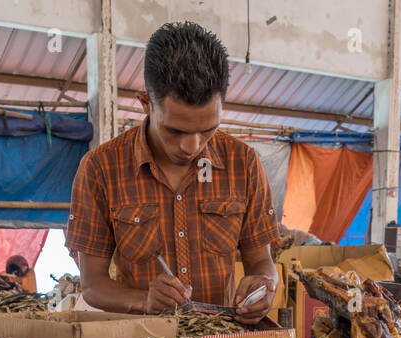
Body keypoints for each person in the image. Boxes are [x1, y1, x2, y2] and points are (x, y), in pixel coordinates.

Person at [65, 21, 281, 322]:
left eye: (207, 130)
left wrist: (264, 286)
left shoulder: (242, 163)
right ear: (145, 104)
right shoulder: (101, 169)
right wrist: (145, 301)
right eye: (175, 130)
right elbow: (92, 286)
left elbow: (263, 262)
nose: (191, 147)